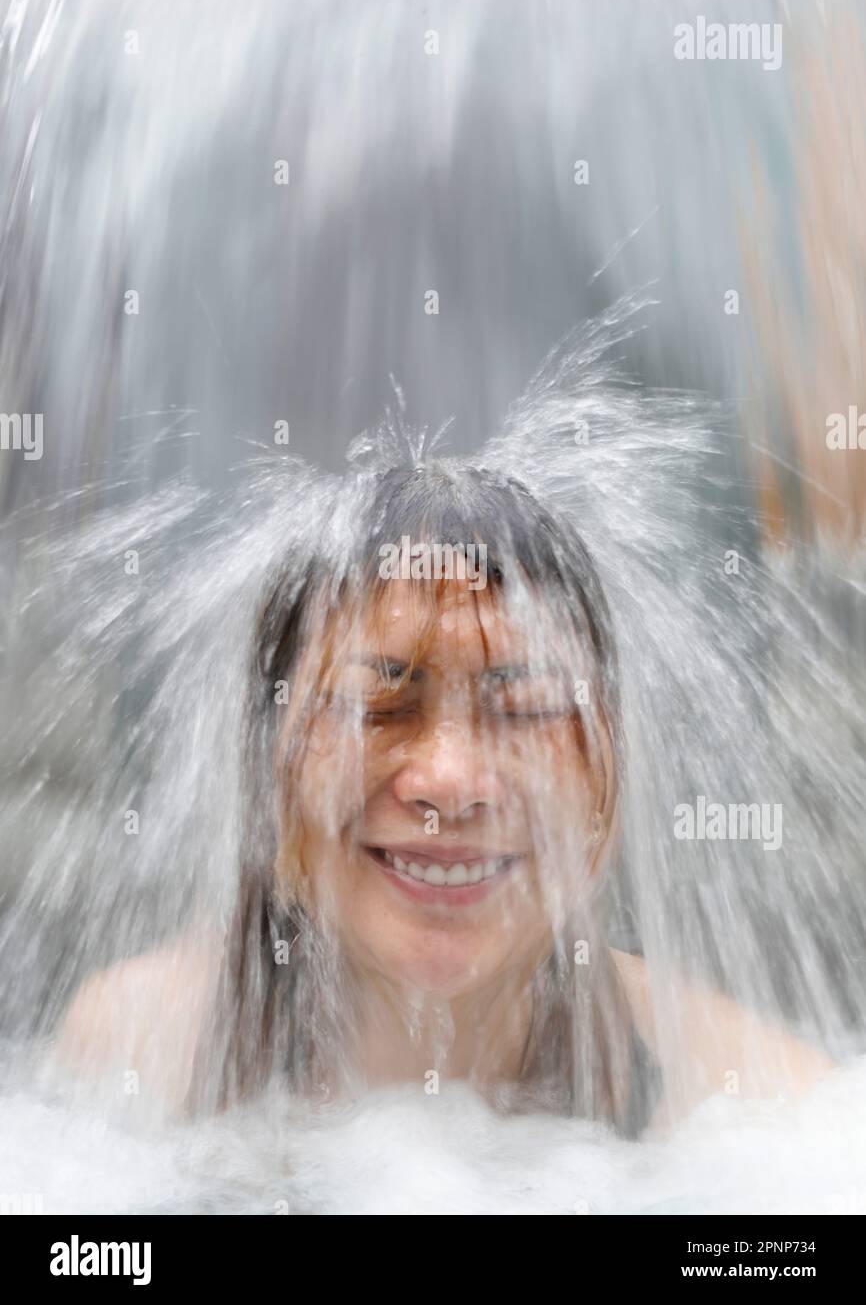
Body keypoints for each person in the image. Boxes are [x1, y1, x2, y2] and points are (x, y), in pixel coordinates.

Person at [57, 461, 832, 1133]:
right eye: (375, 706)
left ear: (606, 773)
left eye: (525, 705)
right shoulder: (136, 1046)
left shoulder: (758, 1105)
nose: (451, 782)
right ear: (268, 762)